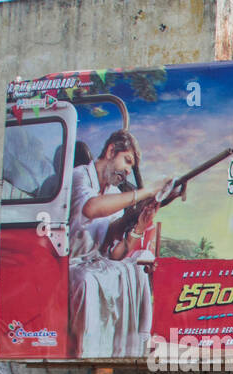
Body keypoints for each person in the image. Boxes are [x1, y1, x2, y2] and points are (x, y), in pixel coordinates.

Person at [68, 129, 172, 358]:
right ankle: (86, 351)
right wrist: (146, 191)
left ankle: (131, 348)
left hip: (95, 263)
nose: (127, 170)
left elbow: (115, 253)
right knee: (87, 281)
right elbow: (91, 208)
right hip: (70, 266)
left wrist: (138, 224)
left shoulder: (113, 192)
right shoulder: (80, 176)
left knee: (140, 262)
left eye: (131, 166)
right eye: (127, 161)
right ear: (111, 150)